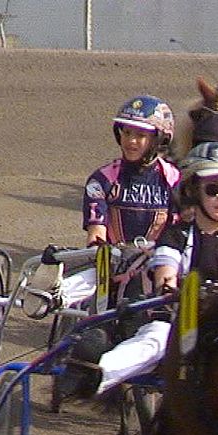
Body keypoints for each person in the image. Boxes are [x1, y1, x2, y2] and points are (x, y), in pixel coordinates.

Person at [69, 142, 218, 435]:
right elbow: (165, 272)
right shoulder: (177, 235)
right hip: (177, 321)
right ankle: (99, 374)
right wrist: (171, 285)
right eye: (213, 189)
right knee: (153, 340)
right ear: (194, 191)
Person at [52, 95, 181, 310]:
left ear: (159, 139)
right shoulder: (102, 179)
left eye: (140, 135)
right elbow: (96, 235)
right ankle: (54, 298)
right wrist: (106, 255)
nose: (131, 141)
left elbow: (178, 234)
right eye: (127, 132)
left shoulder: (175, 180)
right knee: (59, 292)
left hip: (158, 266)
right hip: (111, 265)